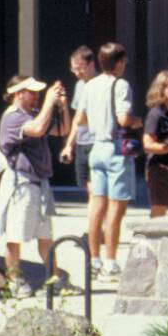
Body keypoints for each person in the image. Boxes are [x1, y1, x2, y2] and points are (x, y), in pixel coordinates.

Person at [0, 74, 70, 298]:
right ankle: (14, 280)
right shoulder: (12, 117)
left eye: (38, 92)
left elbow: (62, 130)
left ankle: (55, 279)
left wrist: (62, 106)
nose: (36, 96)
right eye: (32, 92)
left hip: (39, 183)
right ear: (19, 94)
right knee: (15, 235)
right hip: (21, 184)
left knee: (45, 236)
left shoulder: (34, 114)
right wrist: (49, 102)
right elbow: (36, 129)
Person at [72, 42, 142, 282]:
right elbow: (123, 119)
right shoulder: (121, 85)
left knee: (96, 206)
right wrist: (136, 121)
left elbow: (81, 119)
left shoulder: (90, 85)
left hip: (96, 148)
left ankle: (94, 260)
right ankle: (111, 263)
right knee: (116, 208)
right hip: (115, 149)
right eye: (124, 61)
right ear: (119, 62)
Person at [59, 46, 99, 274]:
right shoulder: (80, 86)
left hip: (96, 142)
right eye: (73, 69)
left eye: (80, 69)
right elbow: (77, 117)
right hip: (82, 142)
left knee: (95, 192)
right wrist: (69, 144)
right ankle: (95, 230)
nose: (76, 73)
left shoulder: (101, 84)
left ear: (91, 64)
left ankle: (93, 232)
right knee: (89, 190)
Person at [142, 71, 168, 219]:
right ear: (161, 89)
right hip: (160, 170)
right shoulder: (156, 114)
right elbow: (148, 145)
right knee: (159, 211)